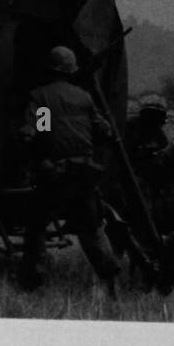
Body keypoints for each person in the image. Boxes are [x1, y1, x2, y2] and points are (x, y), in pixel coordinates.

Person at [18, 45, 122, 296]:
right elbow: (104, 130)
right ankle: (111, 280)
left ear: (50, 69)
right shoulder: (84, 98)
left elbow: (38, 131)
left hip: (54, 175)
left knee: (36, 226)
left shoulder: (41, 97)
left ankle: (34, 283)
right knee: (92, 229)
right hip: (83, 174)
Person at [124, 94, 174, 235]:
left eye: (157, 115)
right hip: (134, 177)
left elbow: (172, 160)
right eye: (151, 114)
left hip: (154, 177)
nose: (154, 119)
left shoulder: (159, 134)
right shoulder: (131, 128)